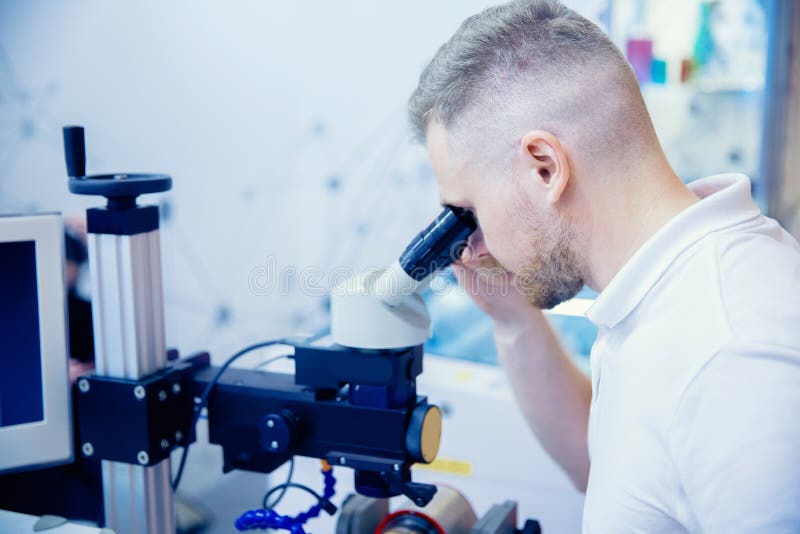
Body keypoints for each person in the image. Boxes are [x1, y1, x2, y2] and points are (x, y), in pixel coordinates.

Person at [408, 1, 800, 532]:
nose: (471, 249)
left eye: (469, 213)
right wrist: (514, 319)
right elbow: (607, 472)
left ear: (545, 168)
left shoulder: (734, 355)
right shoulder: (659, 289)